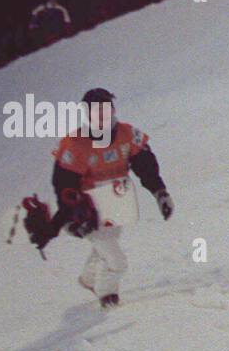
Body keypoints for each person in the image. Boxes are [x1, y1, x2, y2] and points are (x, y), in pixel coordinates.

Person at [30, 88, 174, 307]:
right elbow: (64, 185)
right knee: (117, 261)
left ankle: (88, 279)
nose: (101, 116)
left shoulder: (128, 134)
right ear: (86, 113)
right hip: (88, 209)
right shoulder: (75, 144)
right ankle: (107, 294)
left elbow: (146, 167)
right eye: (94, 111)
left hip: (119, 199)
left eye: (105, 109)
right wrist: (65, 220)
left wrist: (160, 193)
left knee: (107, 245)